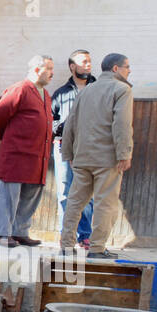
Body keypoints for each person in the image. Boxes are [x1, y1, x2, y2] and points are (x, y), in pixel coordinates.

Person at [60, 53, 134, 258]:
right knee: (105, 203)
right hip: (107, 158)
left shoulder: (86, 90)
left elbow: (70, 123)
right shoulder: (122, 89)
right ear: (116, 69)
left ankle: (66, 245)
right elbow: (122, 125)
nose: (130, 71)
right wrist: (124, 153)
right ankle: (97, 248)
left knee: (75, 202)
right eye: (127, 67)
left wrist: (68, 153)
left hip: (82, 156)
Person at [0, 55, 55, 247]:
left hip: (38, 155)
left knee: (31, 195)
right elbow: (0, 114)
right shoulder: (19, 89)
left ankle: (20, 232)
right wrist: (10, 137)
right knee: (9, 196)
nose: (52, 73)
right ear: (37, 69)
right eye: (49, 69)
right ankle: (3, 234)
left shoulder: (45, 94)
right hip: (16, 153)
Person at [51, 50, 95, 249]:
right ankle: (65, 235)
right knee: (65, 192)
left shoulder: (98, 89)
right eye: (83, 62)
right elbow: (51, 122)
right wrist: (63, 129)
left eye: (89, 62)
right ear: (72, 66)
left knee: (87, 192)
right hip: (63, 147)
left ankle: (85, 236)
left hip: (90, 147)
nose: (88, 65)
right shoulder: (61, 94)